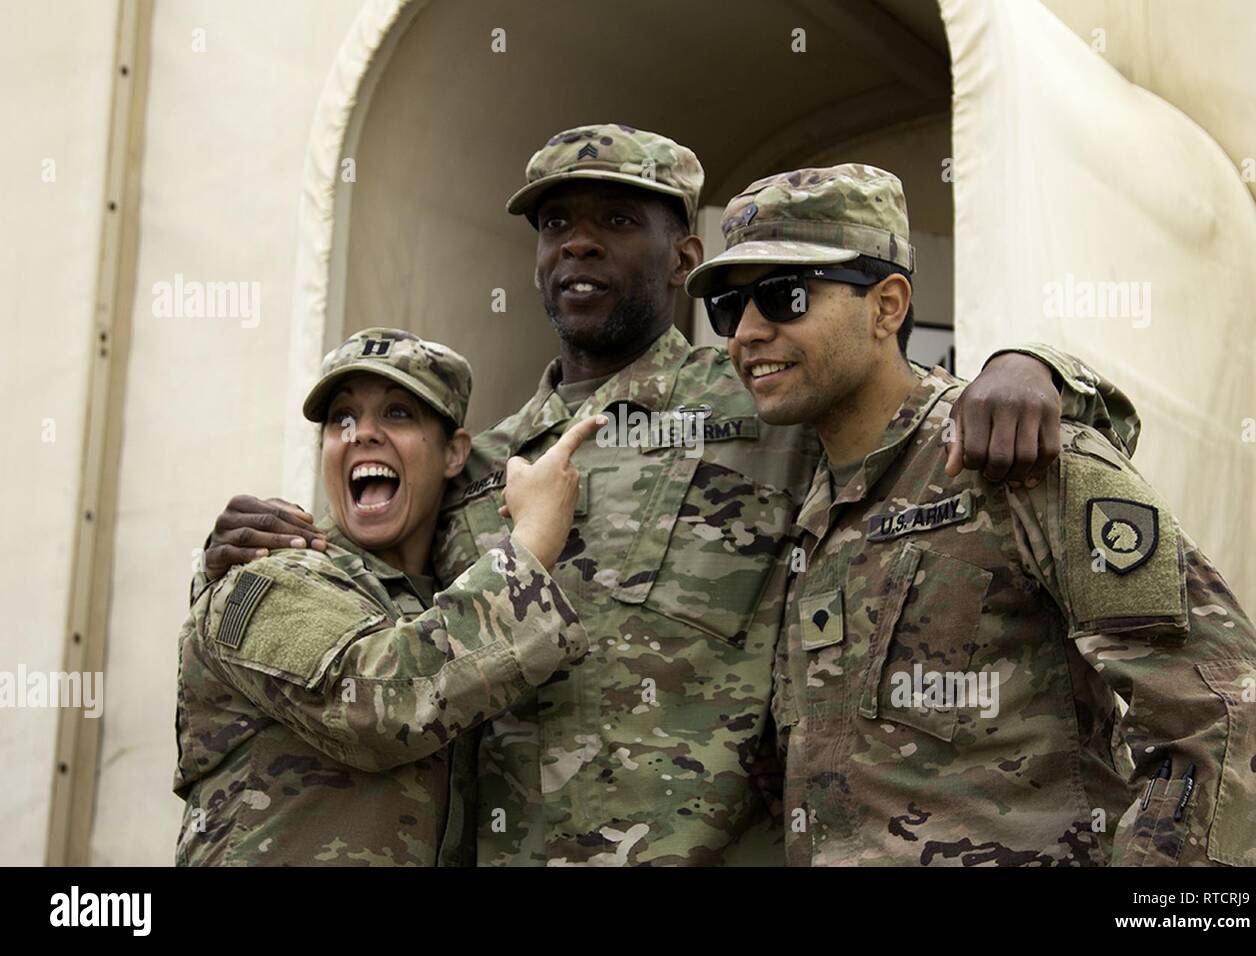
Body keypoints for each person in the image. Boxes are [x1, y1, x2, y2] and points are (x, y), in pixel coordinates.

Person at [196, 125, 1142, 866]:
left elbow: (931, 420)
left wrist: (1040, 368)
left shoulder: (765, 402)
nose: (579, 246)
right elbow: (365, 629)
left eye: (616, 222)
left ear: (685, 257)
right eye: (556, 224)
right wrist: (241, 552)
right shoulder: (479, 468)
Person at [685, 163, 1256, 866]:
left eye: (784, 298)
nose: (747, 332)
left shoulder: (1014, 461)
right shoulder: (809, 508)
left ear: (887, 306)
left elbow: (1220, 703)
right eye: (729, 309)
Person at [174, 327, 602, 865]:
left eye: (398, 413)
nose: (362, 434)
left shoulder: (444, 597)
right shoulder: (267, 572)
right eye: (341, 419)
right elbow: (381, 706)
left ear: (454, 454)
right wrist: (535, 540)